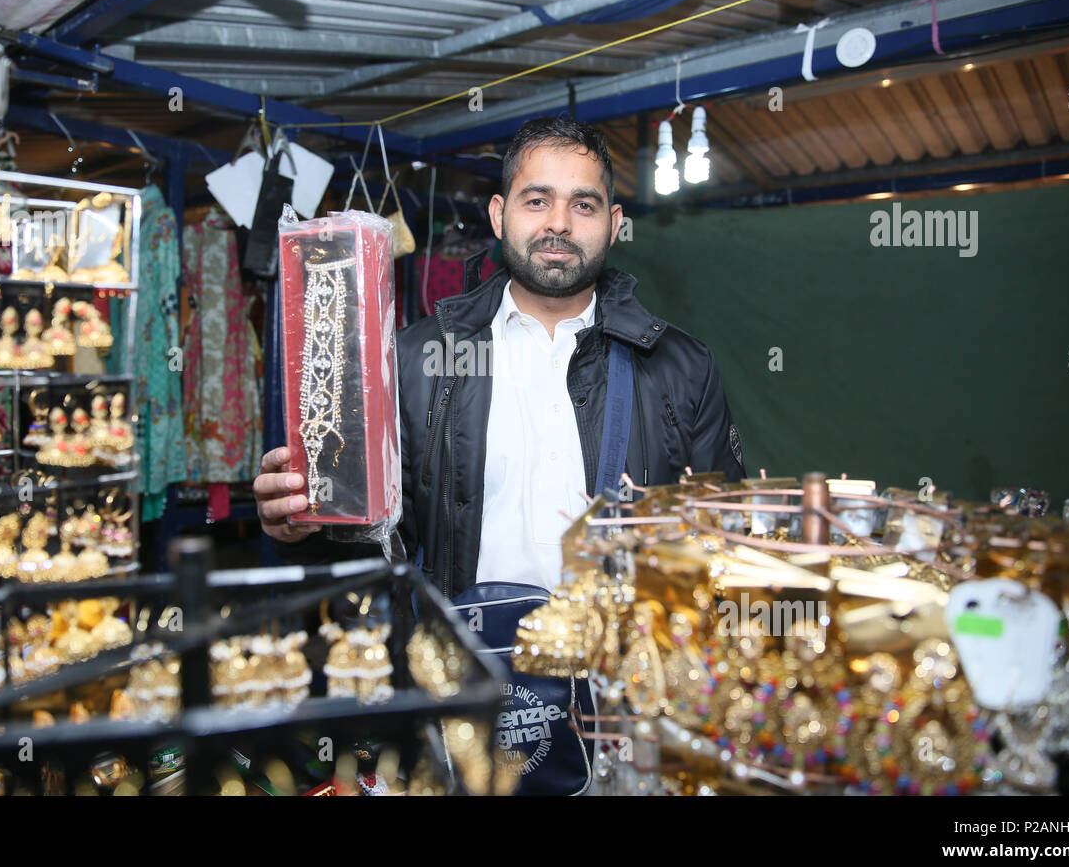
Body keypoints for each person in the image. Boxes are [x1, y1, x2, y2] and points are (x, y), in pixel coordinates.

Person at [254, 114, 745, 598]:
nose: (558, 223)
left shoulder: (682, 368)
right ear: (497, 215)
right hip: (467, 668)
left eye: (584, 205)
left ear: (614, 224)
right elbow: (372, 550)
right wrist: (301, 531)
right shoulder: (414, 363)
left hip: (624, 669)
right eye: (536, 201)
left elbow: (724, 542)